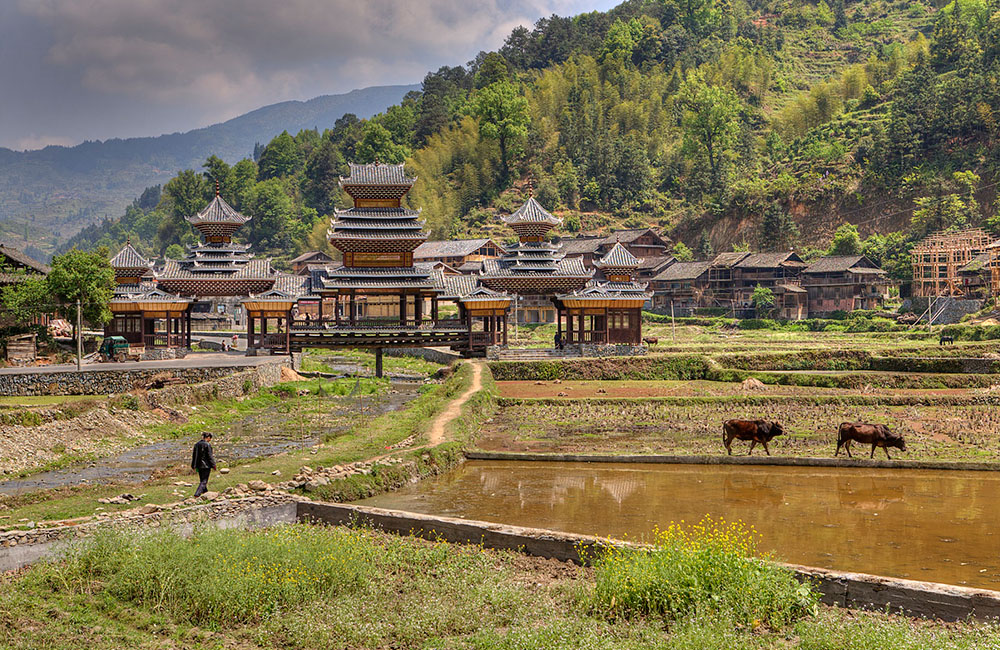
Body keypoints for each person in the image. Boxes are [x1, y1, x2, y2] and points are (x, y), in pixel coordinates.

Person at [191, 432, 217, 497]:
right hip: (206, 465)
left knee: (202, 480)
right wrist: (213, 465)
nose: (210, 440)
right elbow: (209, 456)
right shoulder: (207, 445)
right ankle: (197, 494)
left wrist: (193, 465)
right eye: (210, 439)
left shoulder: (196, 445)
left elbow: (194, 456)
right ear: (208, 438)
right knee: (204, 481)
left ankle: (205, 492)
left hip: (198, 465)